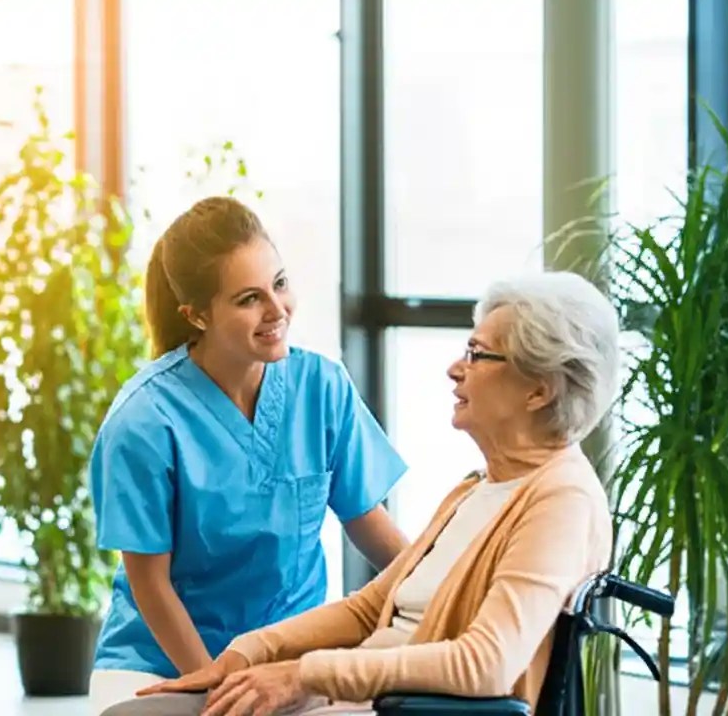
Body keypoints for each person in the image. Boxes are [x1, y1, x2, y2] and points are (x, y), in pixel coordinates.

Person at [138, 270, 619, 716]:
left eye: (477, 354)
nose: (455, 369)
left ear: (538, 391)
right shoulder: (478, 488)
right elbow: (369, 608)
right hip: (361, 701)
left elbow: (486, 661)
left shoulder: (562, 502)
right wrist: (249, 652)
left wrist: (306, 675)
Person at [88, 196, 410, 715]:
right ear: (195, 314)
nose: (276, 310)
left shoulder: (321, 387)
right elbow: (150, 585)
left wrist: (440, 589)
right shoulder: (143, 421)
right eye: (248, 299)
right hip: (165, 664)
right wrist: (215, 688)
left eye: (280, 284)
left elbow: (367, 522)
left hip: (290, 661)